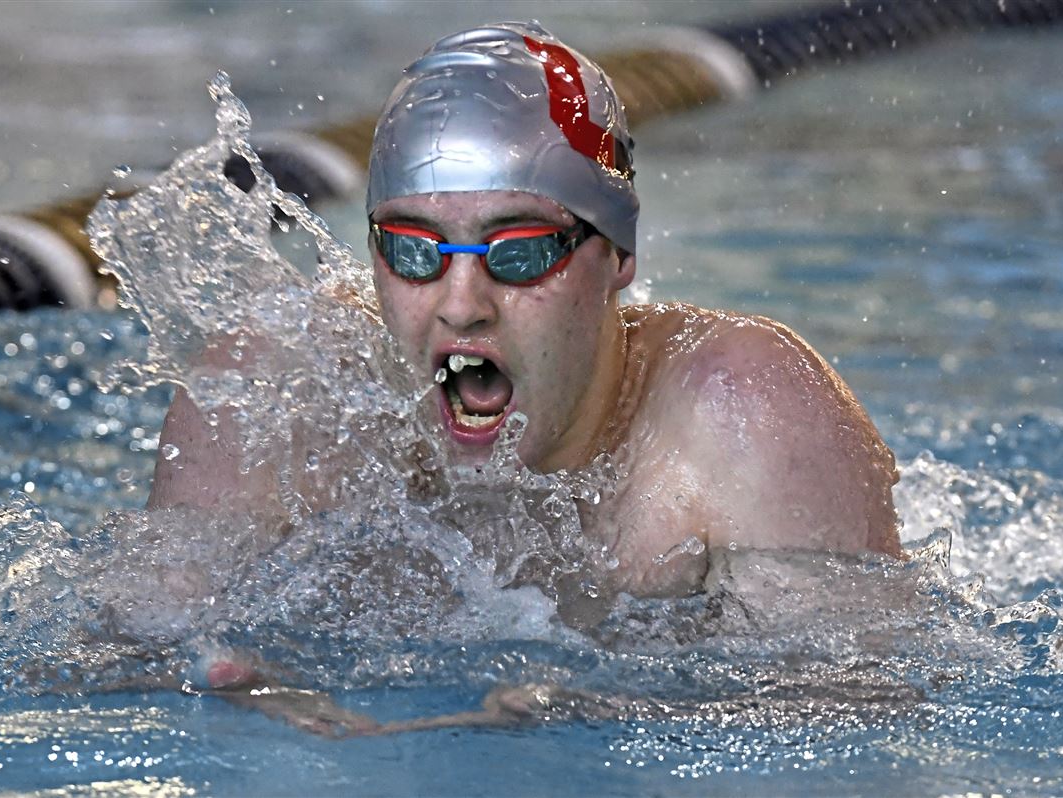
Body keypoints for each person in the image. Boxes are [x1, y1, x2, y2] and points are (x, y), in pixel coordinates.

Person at [147, 22, 901, 724]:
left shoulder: (741, 409)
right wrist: (254, 707)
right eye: (415, 250)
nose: (462, 305)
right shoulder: (276, 391)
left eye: (519, 250)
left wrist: (606, 713)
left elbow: (863, 705)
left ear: (617, 258)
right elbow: (102, 651)